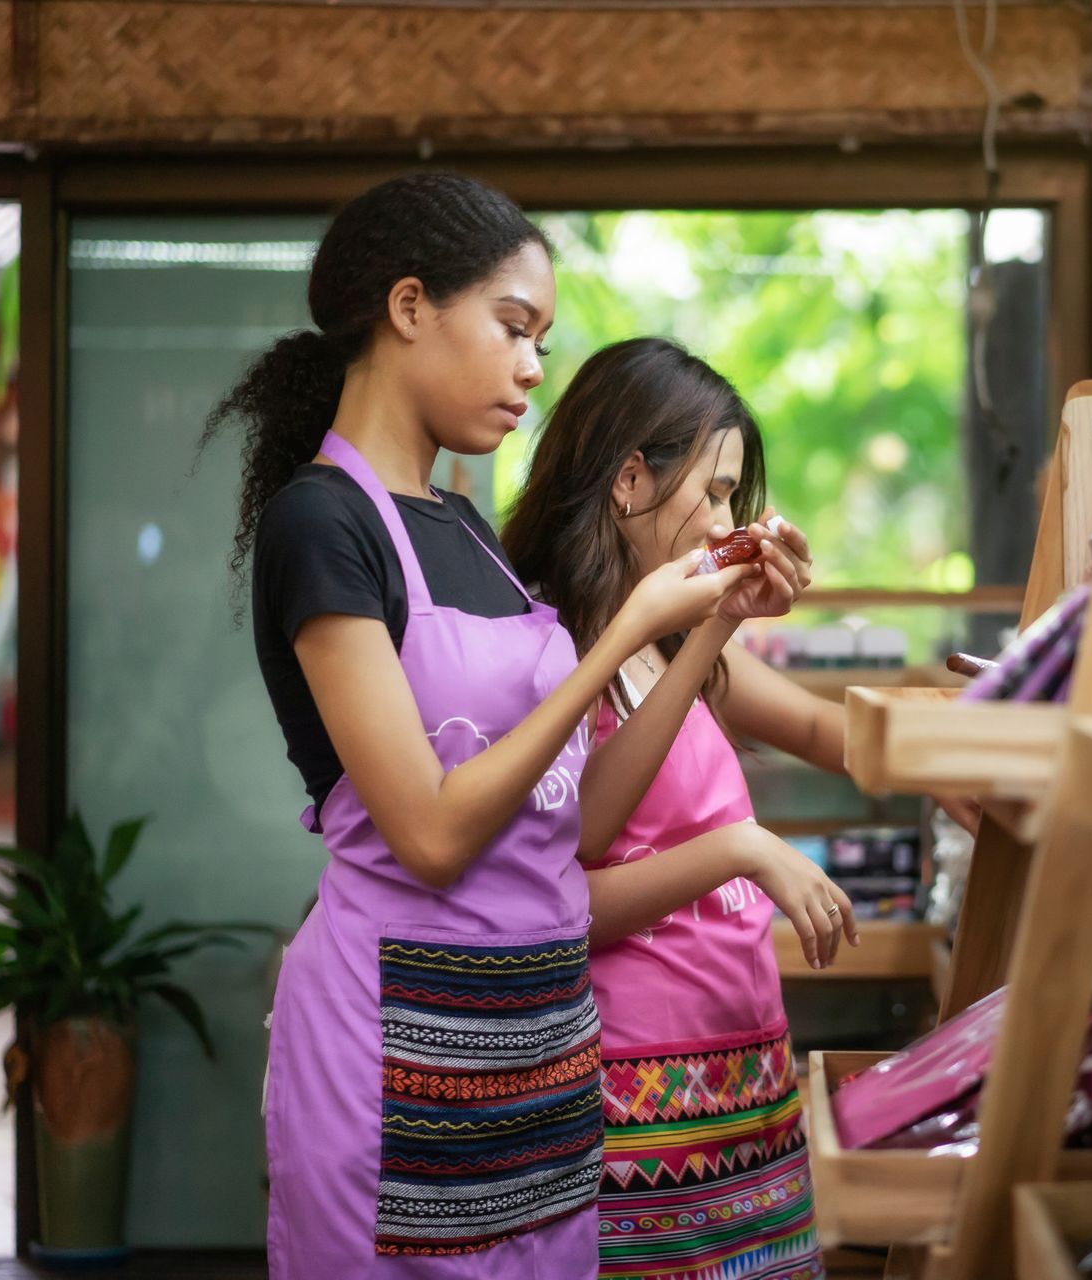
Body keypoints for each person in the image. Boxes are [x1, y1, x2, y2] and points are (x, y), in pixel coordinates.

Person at [205, 173, 764, 1278]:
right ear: (410, 307)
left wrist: (710, 624)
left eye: (542, 340)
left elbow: (577, 825)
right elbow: (433, 833)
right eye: (513, 327)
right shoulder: (323, 524)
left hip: (541, 1058)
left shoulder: (466, 527)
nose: (532, 368)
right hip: (397, 1053)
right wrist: (619, 641)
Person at [503, 337, 969, 1280]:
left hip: (748, 1067)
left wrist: (958, 758)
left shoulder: (686, 649)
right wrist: (739, 848)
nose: (726, 518)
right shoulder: (547, 649)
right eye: (712, 493)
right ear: (630, 481)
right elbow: (577, 873)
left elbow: (816, 727)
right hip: (636, 1095)